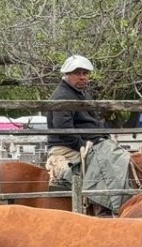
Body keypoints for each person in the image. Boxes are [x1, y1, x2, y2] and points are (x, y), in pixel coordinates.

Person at [45, 54, 107, 186]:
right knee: (105, 164)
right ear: (67, 75)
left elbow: (94, 121)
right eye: (77, 73)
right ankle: (96, 200)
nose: (82, 77)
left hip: (87, 143)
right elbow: (64, 129)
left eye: (85, 73)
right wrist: (84, 145)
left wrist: (103, 137)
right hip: (67, 147)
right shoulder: (62, 96)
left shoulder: (83, 94)